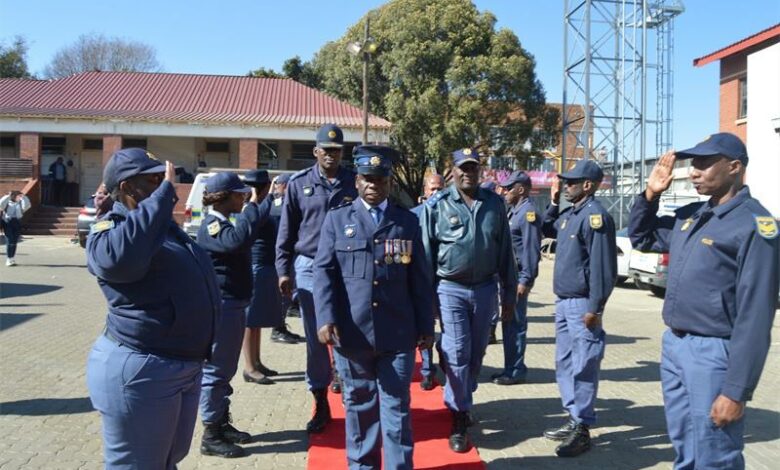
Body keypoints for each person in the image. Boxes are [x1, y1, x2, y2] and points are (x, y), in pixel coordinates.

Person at [628, 133, 779, 469]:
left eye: (705, 163)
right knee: (685, 448)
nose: (694, 171)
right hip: (675, 347)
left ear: (734, 167)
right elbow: (642, 236)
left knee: (715, 454)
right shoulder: (692, 216)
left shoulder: (755, 225)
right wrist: (651, 195)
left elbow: (756, 316)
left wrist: (736, 390)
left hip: (714, 354)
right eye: (693, 163)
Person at [85, 148, 221, 468]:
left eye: (163, 178)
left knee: (166, 460)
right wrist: (161, 200)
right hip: (143, 367)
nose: (164, 184)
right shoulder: (110, 229)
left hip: (181, 364)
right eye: (154, 179)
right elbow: (119, 260)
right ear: (129, 187)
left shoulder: (157, 225)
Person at [314, 145, 434, 470]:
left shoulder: (406, 222)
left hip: (397, 334)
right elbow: (323, 272)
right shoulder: (337, 220)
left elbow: (420, 279)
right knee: (359, 410)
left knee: (396, 411)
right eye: (367, 178)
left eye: (380, 179)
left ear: (389, 182)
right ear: (357, 180)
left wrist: (426, 326)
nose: (373, 185)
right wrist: (325, 318)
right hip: (352, 335)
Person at [420, 148, 517, 453]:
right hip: (450, 288)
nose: (467, 173)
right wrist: (425, 301)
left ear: (480, 171)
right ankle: (459, 417)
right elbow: (425, 255)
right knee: (459, 351)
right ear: (453, 170)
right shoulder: (437, 205)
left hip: (486, 289)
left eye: (473, 168)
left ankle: (462, 393)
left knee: (476, 353)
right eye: (462, 168)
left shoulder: (495, 205)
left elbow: (506, 255)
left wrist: (509, 296)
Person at [275, 123, 358, 433]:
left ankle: (352, 394)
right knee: (316, 337)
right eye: (326, 150)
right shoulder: (299, 184)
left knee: (348, 332)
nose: (332, 156)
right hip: (309, 268)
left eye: (337, 151)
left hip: (348, 266)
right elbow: (286, 231)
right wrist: (283, 270)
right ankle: (320, 399)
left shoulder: (355, 181)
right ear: (316, 152)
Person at [540, 159, 616, 457]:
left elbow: (602, 268)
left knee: (584, 364)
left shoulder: (595, 217)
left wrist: (596, 308)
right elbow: (546, 227)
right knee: (566, 363)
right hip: (564, 302)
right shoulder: (572, 214)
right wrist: (554, 199)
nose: (567, 185)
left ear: (588, 184)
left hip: (583, 304)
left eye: (571, 182)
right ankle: (573, 417)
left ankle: (582, 427)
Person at [196, 171, 271, 458]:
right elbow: (238, 240)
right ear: (223, 198)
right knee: (216, 371)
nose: (243, 197)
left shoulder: (226, 222)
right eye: (239, 194)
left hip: (234, 305)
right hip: (223, 306)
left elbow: (244, 234)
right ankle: (211, 434)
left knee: (225, 369)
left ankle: (221, 421)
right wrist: (254, 205)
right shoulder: (214, 227)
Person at [240, 170, 292, 388]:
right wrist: (262, 198)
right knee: (250, 321)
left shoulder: (262, 206)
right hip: (256, 266)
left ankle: (258, 362)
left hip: (265, 266)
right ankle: (249, 367)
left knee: (258, 320)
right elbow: (255, 220)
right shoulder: (250, 208)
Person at [491, 171, 542, 385]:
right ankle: (509, 367)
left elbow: (531, 251)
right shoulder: (515, 212)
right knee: (509, 324)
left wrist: (526, 280)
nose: (504, 192)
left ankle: (516, 370)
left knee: (517, 325)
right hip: (509, 279)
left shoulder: (528, 213)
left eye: (508, 188)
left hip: (518, 279)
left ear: (521, 189)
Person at [410, 173, 446, 391]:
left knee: (449, 330)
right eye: (432, 189)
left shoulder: (454, 214)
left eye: (440, 189)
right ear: (424, 191)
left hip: (446, 282)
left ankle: (448, 365)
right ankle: (426, 370)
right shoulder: (413, 216)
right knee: (425, 328)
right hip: (423, 281)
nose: (436, 193)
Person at [267, 172, 303, 344]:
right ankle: (277, 329)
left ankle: (280, 325)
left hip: (286, 254)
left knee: (287, 295)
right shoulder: (279, 205)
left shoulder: (281, 203)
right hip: (284, 255)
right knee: (284, 294)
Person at [0, 190, 31, 266]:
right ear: (13, 196)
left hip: (17, 222)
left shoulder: (20, 203)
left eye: (19, 196)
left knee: (14, 241)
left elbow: (27, 206)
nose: (18, 197)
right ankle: (8, 259)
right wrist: (8, 196)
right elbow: (0, 204)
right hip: (7, 222)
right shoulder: (7, 203)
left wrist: (24, 197)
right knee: (10, 240)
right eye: (17, 196)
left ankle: (12, 258)